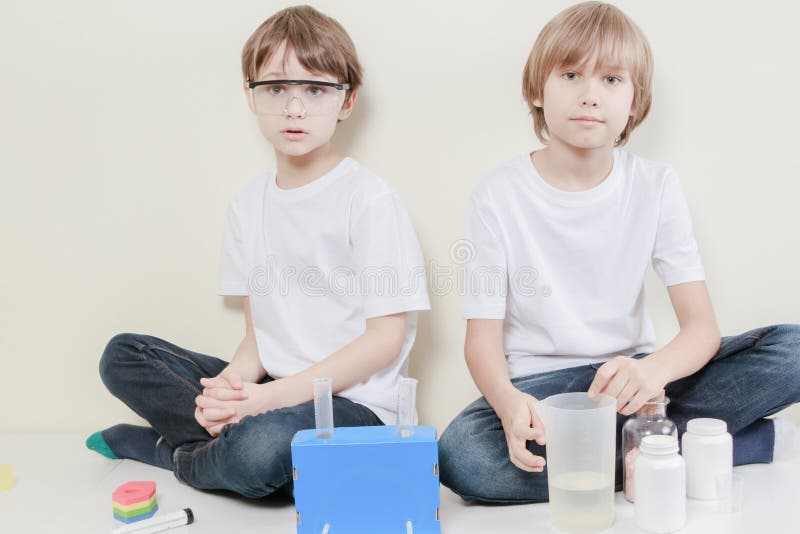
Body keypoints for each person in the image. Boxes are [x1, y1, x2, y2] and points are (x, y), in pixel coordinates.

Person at [438, 1, 800, 503]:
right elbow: (481, 340)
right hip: (544, 393)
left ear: (635, 102)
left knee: (794, 348)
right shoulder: (496, 194)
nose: (590, 96)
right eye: (570, 74)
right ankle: (683, 451)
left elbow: (701, 329)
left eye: (611, 80)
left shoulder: (655, 185)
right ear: (535, 90)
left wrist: (651, 372)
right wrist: (508, 403)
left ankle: (632, 451)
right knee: (462, 455)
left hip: (635, 381)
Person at [87, 5, 430, 499]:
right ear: (251, 97)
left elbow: (384, 340)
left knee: (262, 446)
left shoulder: (368, 199)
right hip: (271, 386)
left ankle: (173, 454)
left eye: (315, 89)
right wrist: (229, 390)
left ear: (347, 100)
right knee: (122, 355)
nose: (294, 108)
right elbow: (258, 338)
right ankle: (224, 441)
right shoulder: (247, 205)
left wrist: (266, 401)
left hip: (353, 405)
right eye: (275, 89)